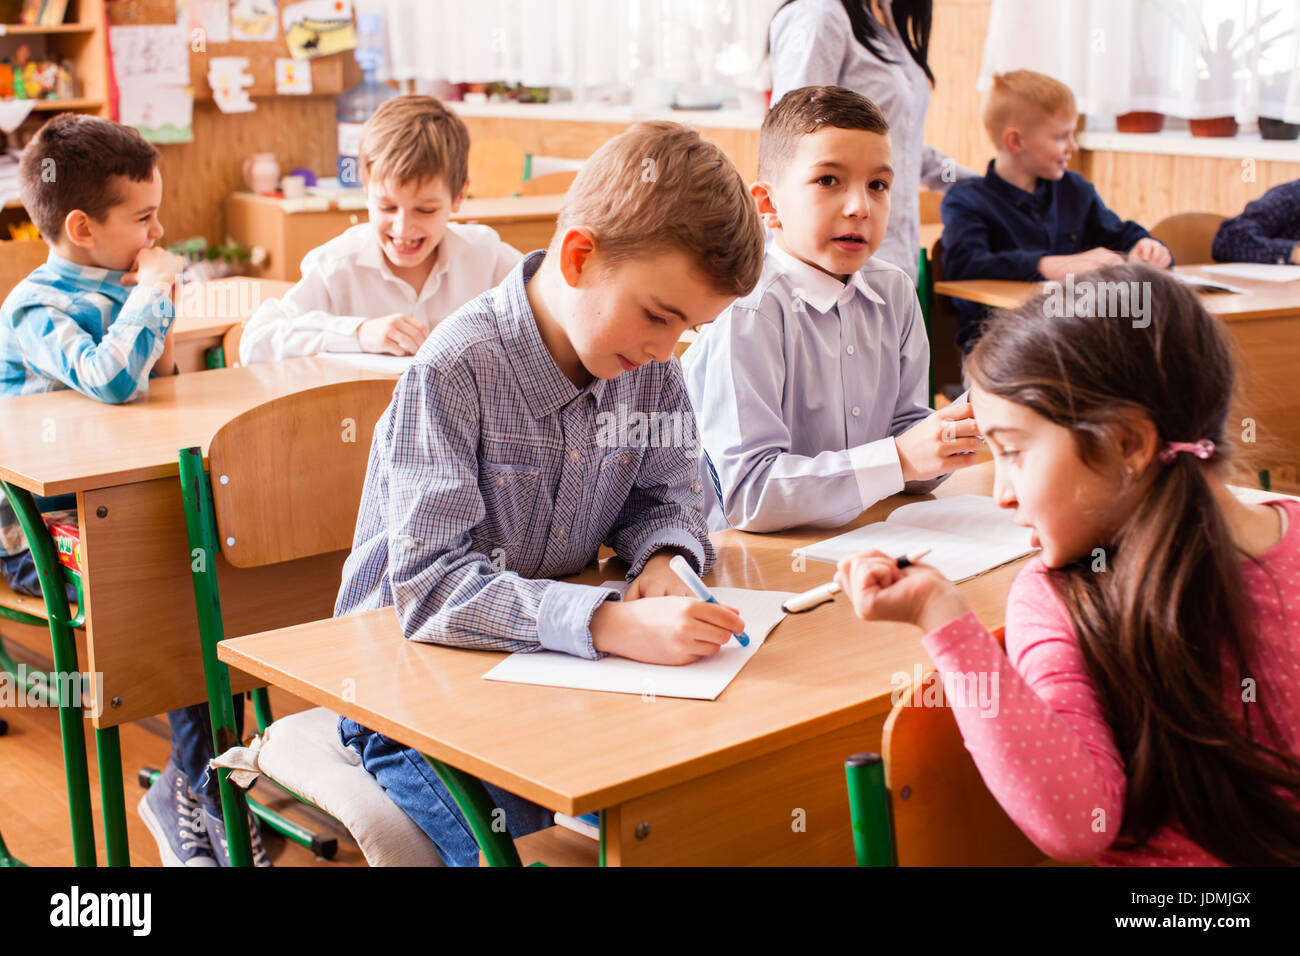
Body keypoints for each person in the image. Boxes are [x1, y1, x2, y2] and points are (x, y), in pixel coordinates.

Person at [334, 121, 766, 866]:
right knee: (522, 851)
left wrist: (664, 556)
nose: (668, 349)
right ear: (579, 257)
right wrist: (610, 625)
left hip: (545, 676)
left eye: (688, 330)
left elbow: (668, 495)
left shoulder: (647, 362)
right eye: (660, 316)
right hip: (405, 700)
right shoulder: (455, 370)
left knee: (700, 810)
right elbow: (431, 590)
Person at [836, 264, 1300, 865]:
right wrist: (940, 613)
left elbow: (1078, 829)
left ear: (1127, 444)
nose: (1000, 492)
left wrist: (944, 620)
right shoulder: (1063, 599)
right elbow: (1080, 825)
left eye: (1014, 451)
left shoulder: (1053, 596)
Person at [684, 85, 979, 533]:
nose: (860, 206)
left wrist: (968, 420)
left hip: (857, 538)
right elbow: (748, 494)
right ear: (769, 206)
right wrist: (898, 458)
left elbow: (908, 443)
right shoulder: (751, 309)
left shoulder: (895, 291)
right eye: (828, 180)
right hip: (750, 562)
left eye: (878, 185)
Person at [239, 95, 521, 365]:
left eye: (425, 210)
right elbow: (257, 341)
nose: (403, 228)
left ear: (459, 195)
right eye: (386, 207)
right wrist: (359, 333)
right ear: (365, 188)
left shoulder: (488, 259)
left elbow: (551, 315)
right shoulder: (337, 266)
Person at [940, 70, 1171, 351]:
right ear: (1016, 142)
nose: (1072, 146)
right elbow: (965, 264)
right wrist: (1048, 265)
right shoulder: (966, 199)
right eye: (1062, 137)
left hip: (1072, 340)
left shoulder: (1075, 190)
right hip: (999, 347)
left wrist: (1144, 245)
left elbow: (1118, 233)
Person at [769, 0, 977, 282]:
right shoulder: (820, 15)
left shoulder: (886, 14)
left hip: (893, 259)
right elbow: (792, 141)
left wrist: (984, 183)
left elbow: (905, 150)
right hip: (835, 263)